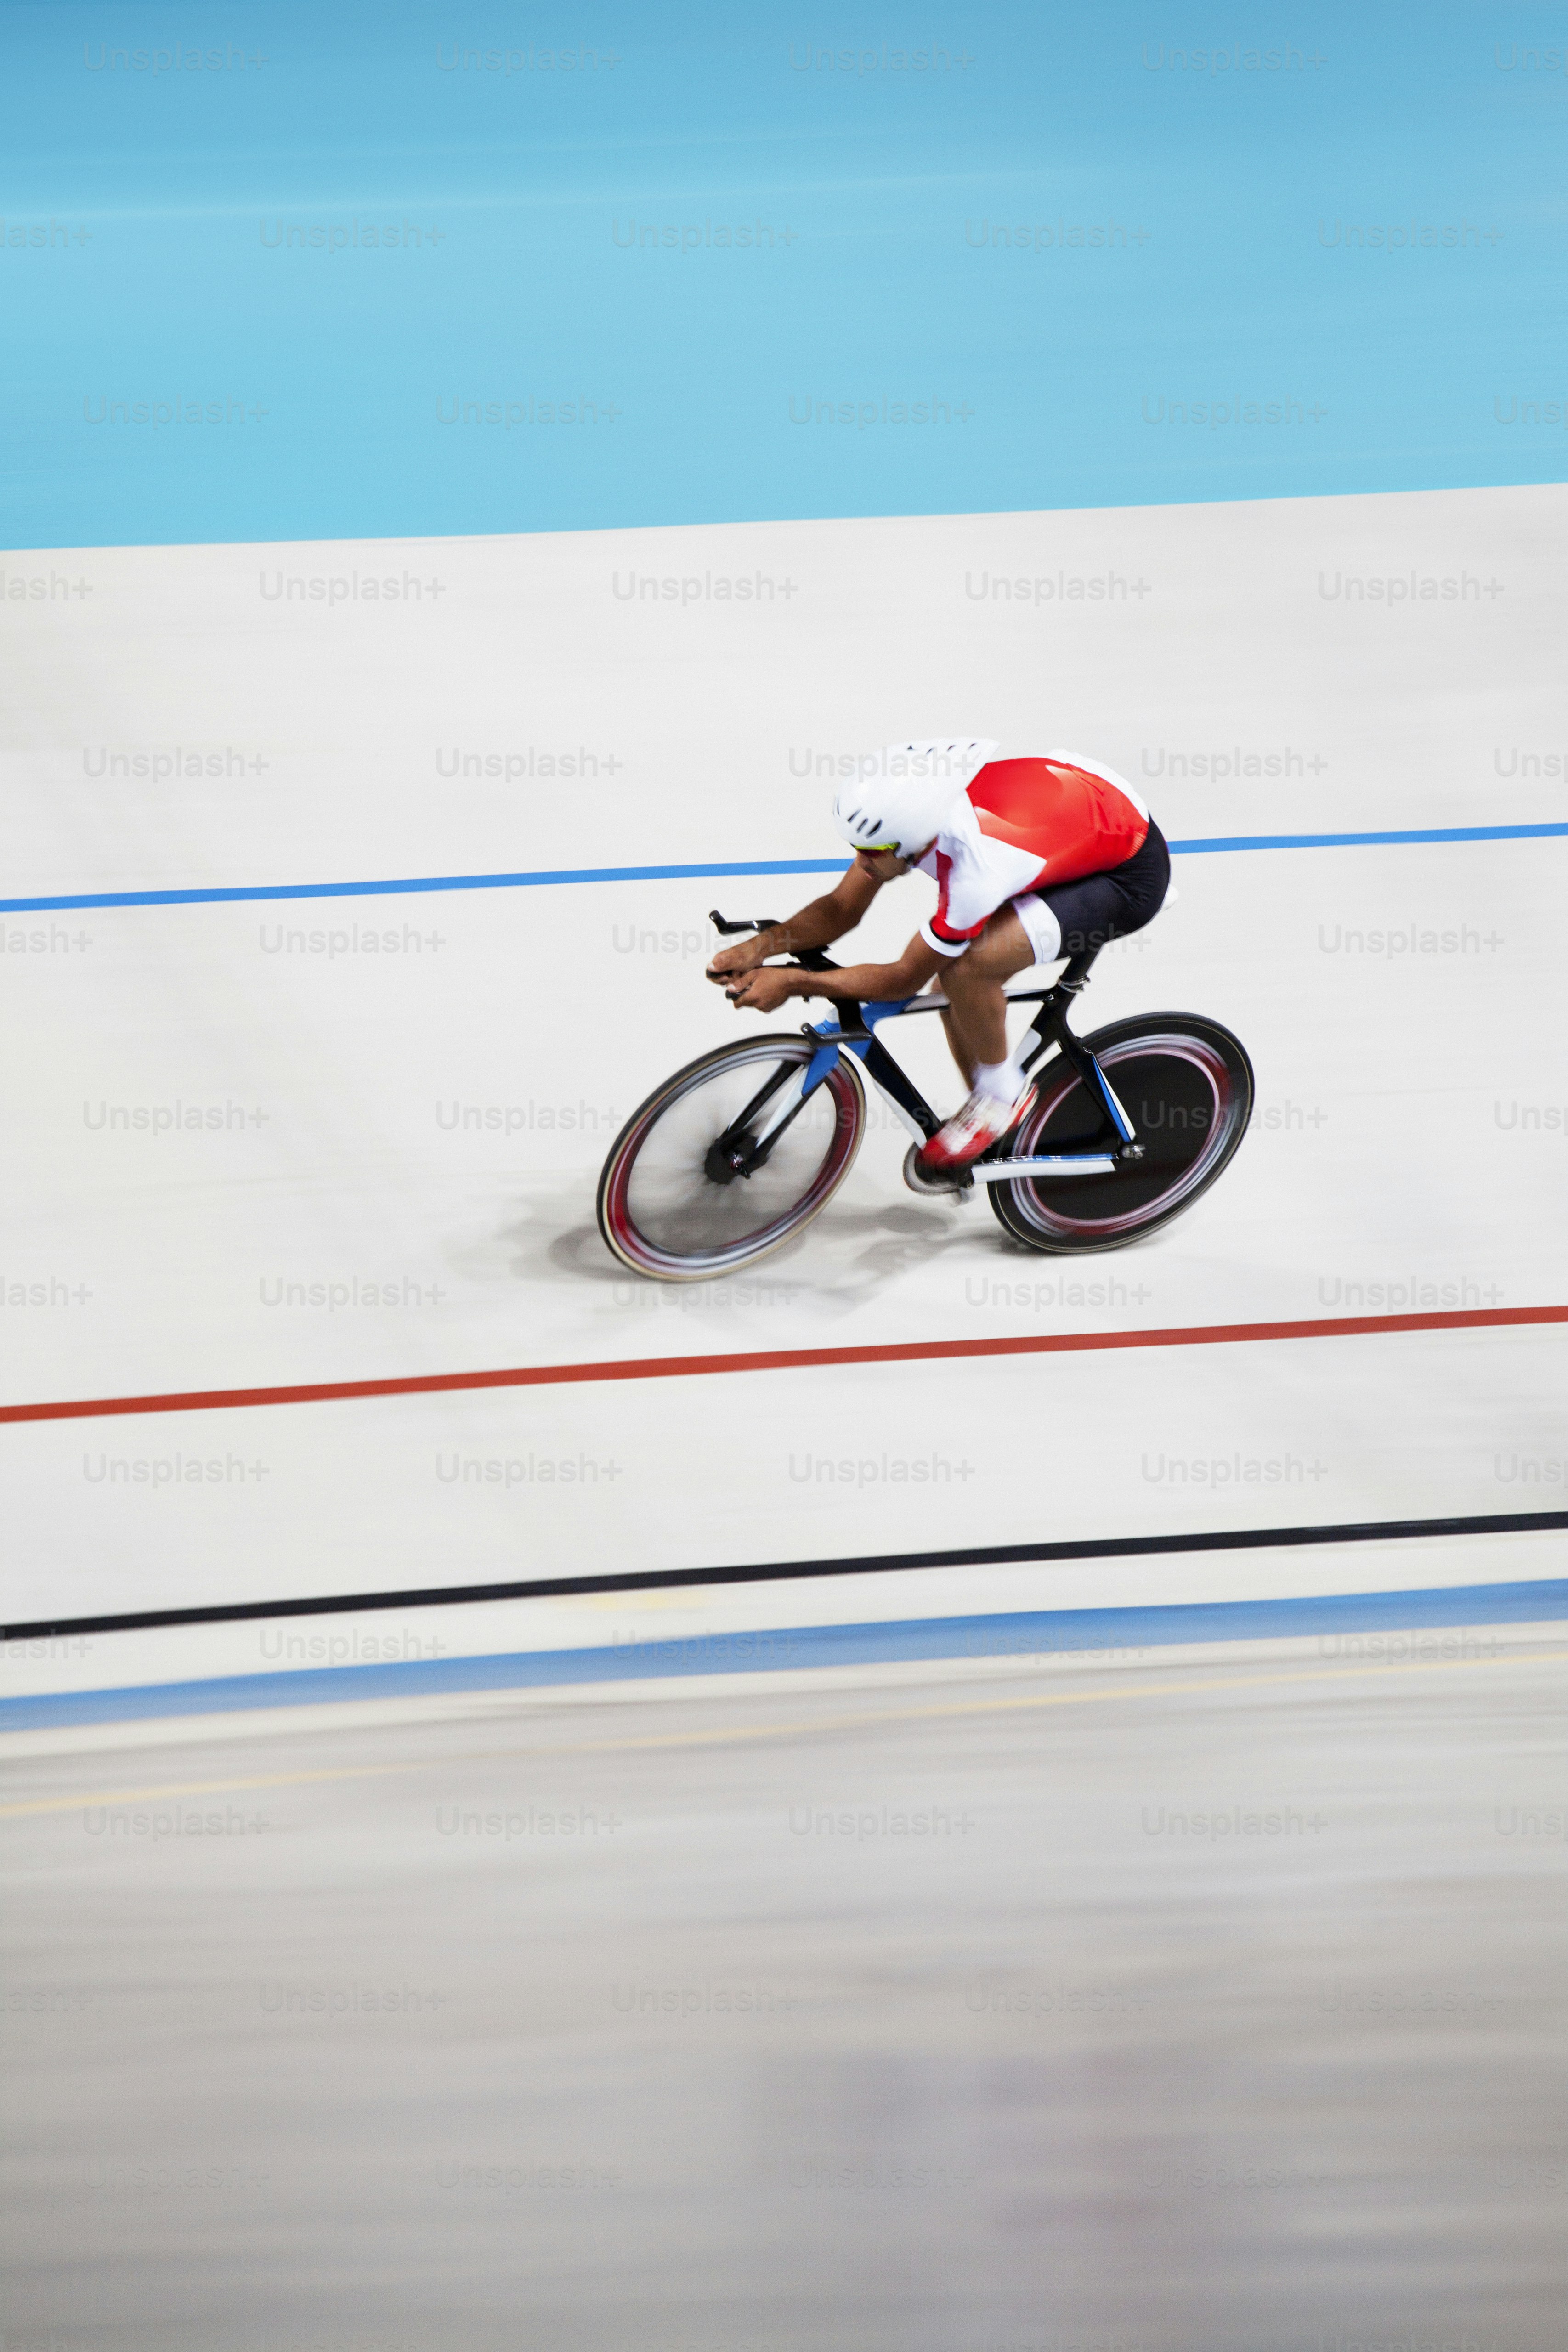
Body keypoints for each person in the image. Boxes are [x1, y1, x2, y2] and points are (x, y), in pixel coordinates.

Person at [707, 738, 1170, 1173]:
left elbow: (903, 978)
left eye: (872, 852)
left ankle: (1001, 1096)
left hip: (1124, 874)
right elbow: (840, 909)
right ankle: (988, 1105)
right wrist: (758, 947)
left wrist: (794, 982)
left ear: (913, 842)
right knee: (953, 978)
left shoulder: (974, 874)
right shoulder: (910, 819)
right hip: (1073, 816)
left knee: (965, 972)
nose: (861, 862)